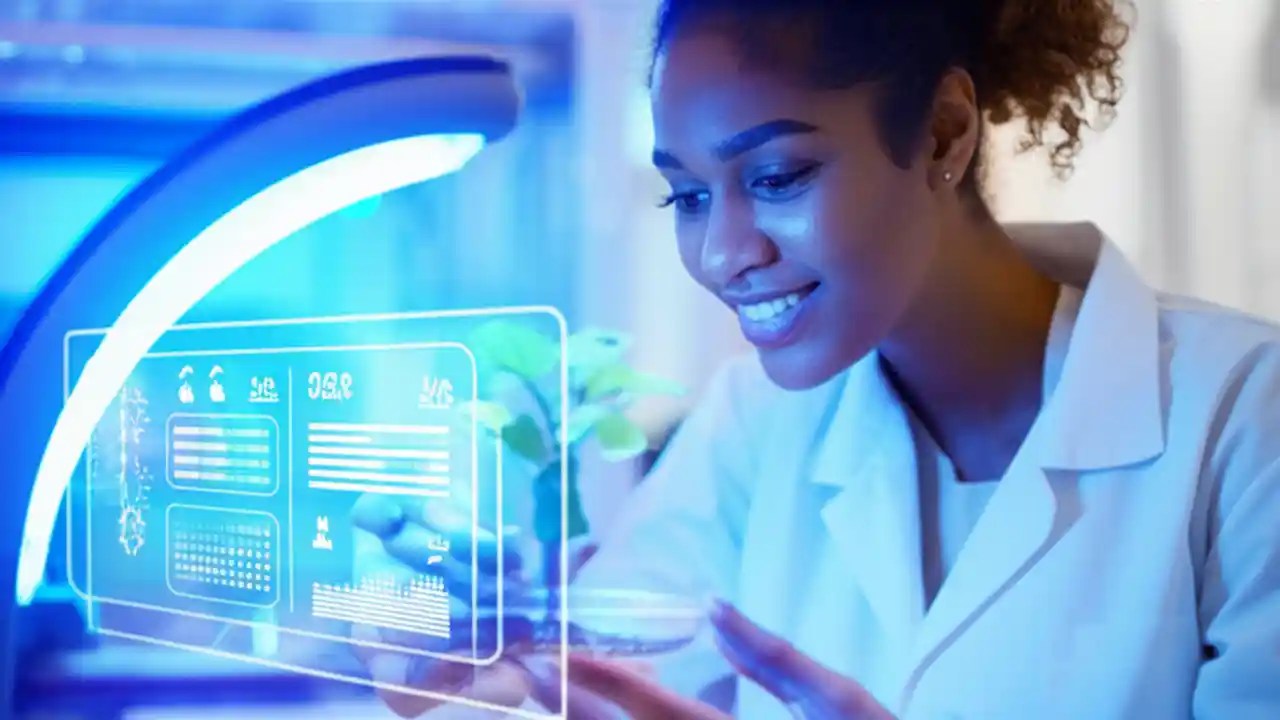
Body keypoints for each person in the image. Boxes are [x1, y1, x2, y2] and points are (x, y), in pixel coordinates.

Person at [354, 1, 1280, 718]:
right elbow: (598, 688)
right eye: (684, 195)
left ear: (946, 134)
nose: (721, 254)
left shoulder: (1242, 416)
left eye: (776, 177)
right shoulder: (755, 423)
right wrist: (477, 682)